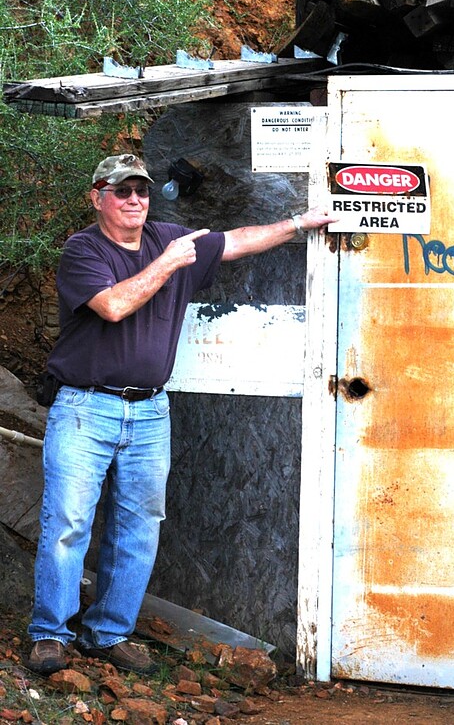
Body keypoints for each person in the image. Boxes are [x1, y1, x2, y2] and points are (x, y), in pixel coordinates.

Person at [26, 153, 331, 676]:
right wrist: (169, 262)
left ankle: (108, 633)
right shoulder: (84, 249)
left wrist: (300, 223)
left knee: (139, 527)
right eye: (122, 190)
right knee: (68, 523)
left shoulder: (167, 237)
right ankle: (50, 634)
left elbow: (236, 241)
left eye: (142, 190)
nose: (134, 200)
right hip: (85, 407)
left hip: (150, 412)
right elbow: (113, 306)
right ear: (97, 198)